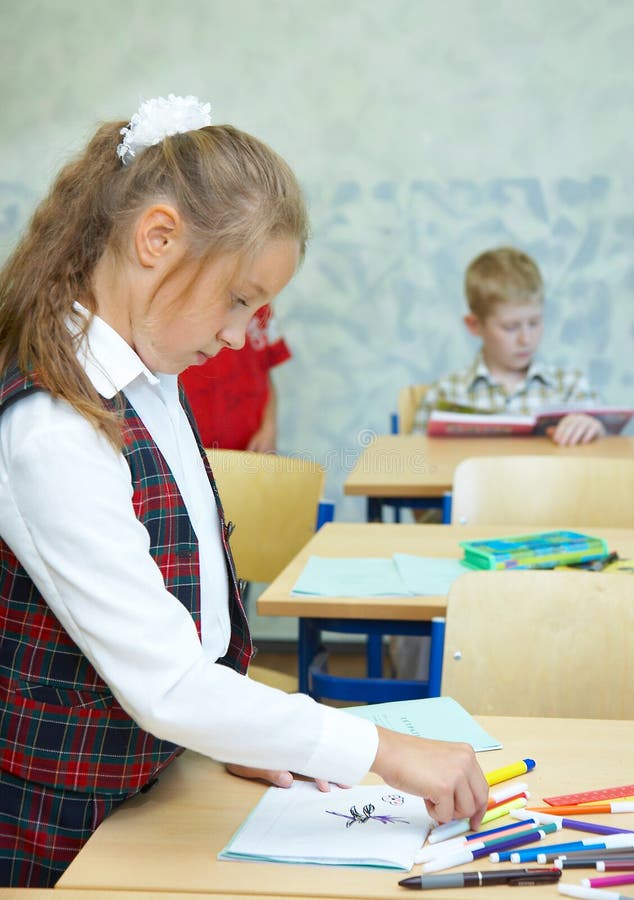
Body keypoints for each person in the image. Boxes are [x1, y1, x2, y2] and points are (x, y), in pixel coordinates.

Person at [0, 94, 488, 888]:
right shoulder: (53, 426)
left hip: (153, 791)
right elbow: (166, 682)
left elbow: (187, 630)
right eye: (239, 299)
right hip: (62, 836)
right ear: (157, 238)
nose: (238, 335)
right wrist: (386, 751)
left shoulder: (146, 372)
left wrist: (243, 736)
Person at [413, 246, 605, 446]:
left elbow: (606, 457)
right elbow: (415, 466)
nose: (526, 339)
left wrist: (594, 429)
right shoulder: (445, 393)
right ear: (474, 325)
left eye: (534, 322)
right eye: (510, 327)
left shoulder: (571, 387)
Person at [179, 303, 289, 451]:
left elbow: (265, 371)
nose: (238, 340)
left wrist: (269, 427)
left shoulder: (262, 304)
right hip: (189, 445)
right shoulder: (186, 305)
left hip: (250, 446)